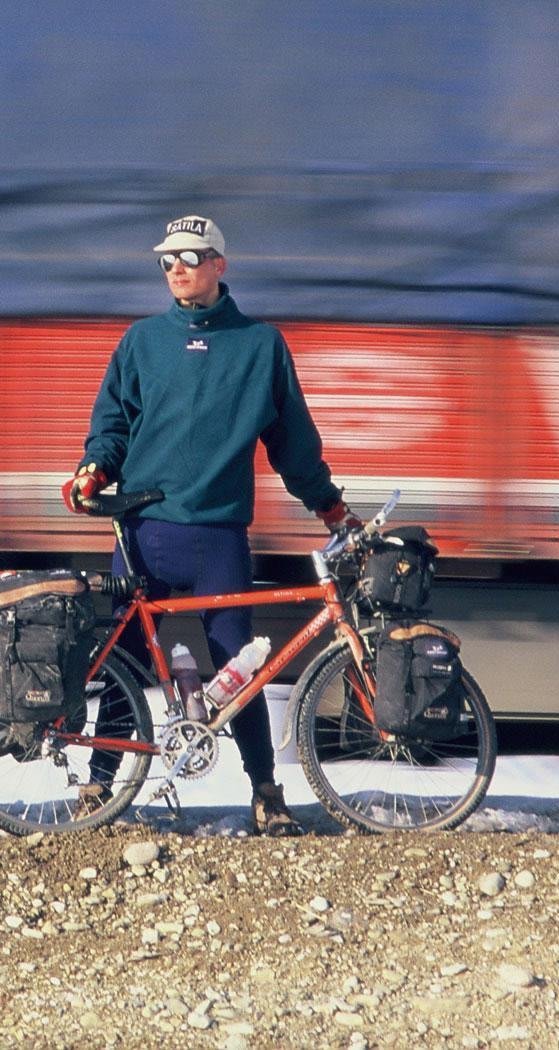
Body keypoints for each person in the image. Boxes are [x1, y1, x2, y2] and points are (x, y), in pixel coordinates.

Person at [61, 214, 358, 836]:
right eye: (167, 260)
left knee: (237, 667)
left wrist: (328, 506)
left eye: (191, 258)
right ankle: (99, 787)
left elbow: (293, 447)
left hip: (219, 535)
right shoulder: (141, 341)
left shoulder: (260, 345)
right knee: (127, 661)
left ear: (220, 265)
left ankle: (265, 792)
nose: (177, 268)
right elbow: (112, 426)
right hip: (143, 530)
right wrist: (94, 466)